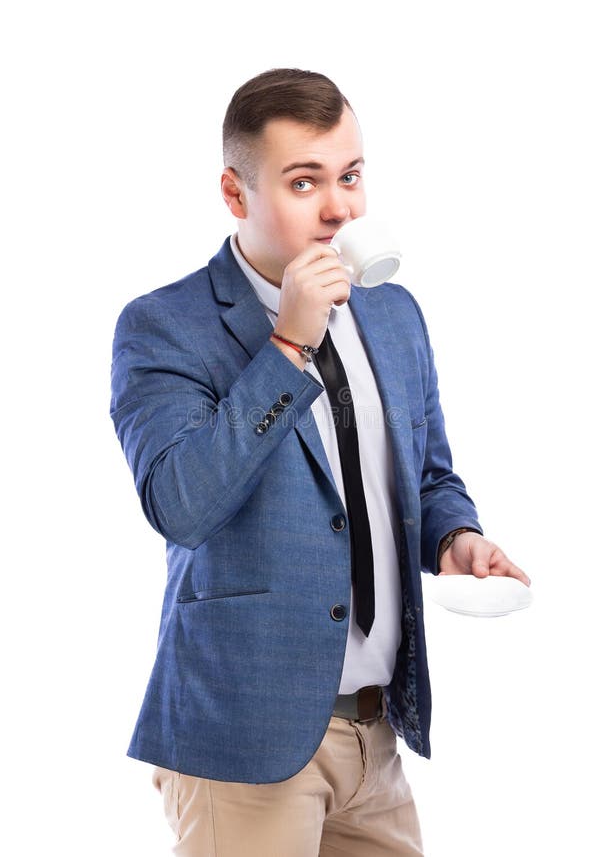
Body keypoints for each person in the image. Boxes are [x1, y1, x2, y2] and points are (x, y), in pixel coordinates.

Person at [110, 67, 530, 856]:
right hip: (245, 739)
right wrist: (288, 345)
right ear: (235, 195)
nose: (341, 208)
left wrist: (454, 539)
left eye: (351, 176)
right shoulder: (163, 327)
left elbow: (428, 475)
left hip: (378, 740)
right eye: (306, 182)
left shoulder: (394, 313)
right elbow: (182, 503)